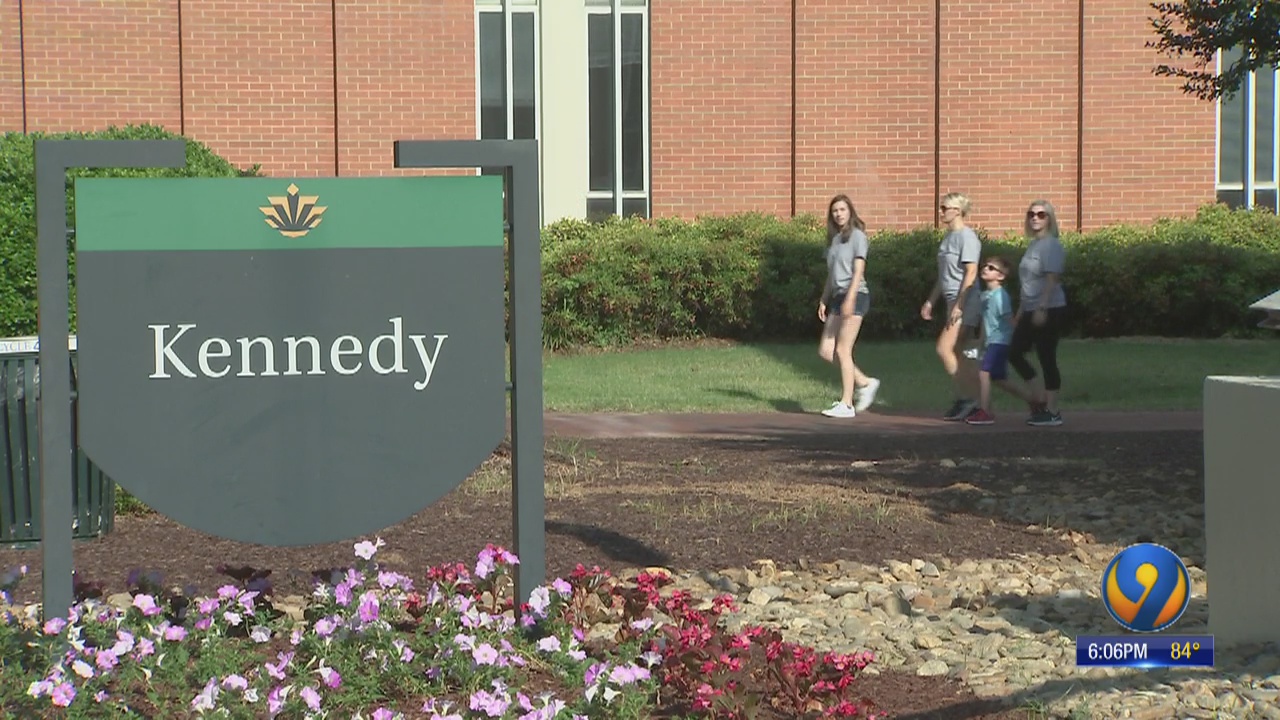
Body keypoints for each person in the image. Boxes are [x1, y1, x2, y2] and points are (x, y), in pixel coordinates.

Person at [921, 192, 982, 421]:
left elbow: (971, 273)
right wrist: (931, 301)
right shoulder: (948, 237)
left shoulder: (967, 237)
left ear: (957, 210)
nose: (941, 211)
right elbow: (943, 276)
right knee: (961, 353)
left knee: (944, 348)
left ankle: (968, 399)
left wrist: (960, 305)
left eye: (944, 208)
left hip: (966, 301)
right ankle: (975, 401)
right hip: (950, 300)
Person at [817, 194, 880, 418]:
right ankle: (865, 383)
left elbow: (859, 269)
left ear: (850, 211)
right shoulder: (834, 241)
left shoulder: (858, 236)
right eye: (835, 210)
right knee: (826, 350)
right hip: (836, 296)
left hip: (855, 294)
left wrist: (851, 296)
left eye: (842, 209)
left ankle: (847, 404)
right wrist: (824, 299)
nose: (839, 214)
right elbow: (831, 275)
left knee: (843, 349)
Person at [1008, 199, 1068, 426]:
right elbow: (1028, 284)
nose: (1035, 218)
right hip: (1030, 308)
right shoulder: (1033, 245)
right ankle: (1039, 397)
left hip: (1050, 308)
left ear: (1049, 219)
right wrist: (1020, 312)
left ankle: (1052, 411)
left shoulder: (1051, 245)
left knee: (1046, 356)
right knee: (1014, 352)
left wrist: (1042, 307)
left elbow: (1052, 279)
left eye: (1041, 214)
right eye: (1031, 214)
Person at [964, 256, 1037, 425]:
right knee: (998, 379)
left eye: (991, 268)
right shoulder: (985, 296)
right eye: (985, 266)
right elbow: (985, 321)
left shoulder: (1000, 296)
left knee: (984, 373)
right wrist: (980, 341)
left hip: (1001, 341)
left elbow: (1009, 319)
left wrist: (1020, 337)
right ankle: (1032, 400)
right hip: (992, 342)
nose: (985, 269)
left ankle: (985, 411)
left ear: (1001, 276)